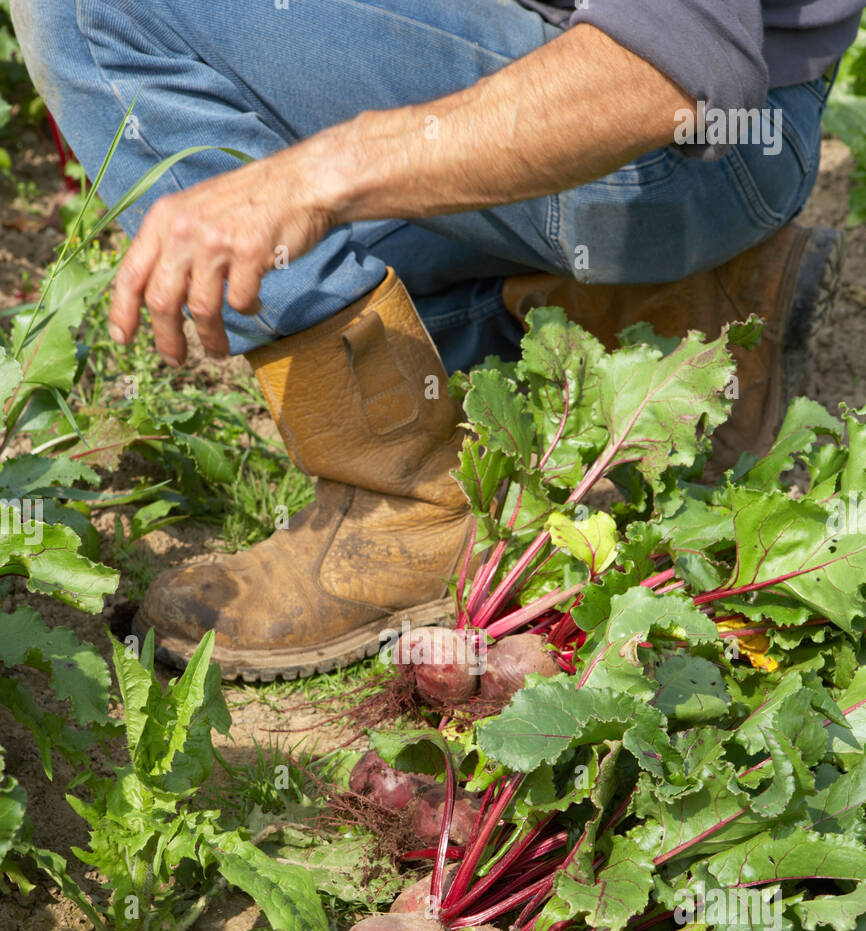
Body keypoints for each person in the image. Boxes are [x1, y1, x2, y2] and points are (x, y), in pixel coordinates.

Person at [10, 0, 861, 680]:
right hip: (570, 82)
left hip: (685, 141)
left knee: (88, 7)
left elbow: (667, 74)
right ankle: (666, 315)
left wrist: (312, 177)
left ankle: (409, 505)